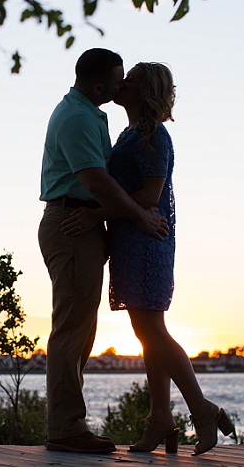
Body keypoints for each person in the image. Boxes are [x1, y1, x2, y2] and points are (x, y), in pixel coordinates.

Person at [60, 62, 234, 456]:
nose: (123, 82)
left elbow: (150, 196)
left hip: (146, 240)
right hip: (130, 239)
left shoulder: (153, 134)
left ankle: (202, 410)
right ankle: (160, 417)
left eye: (132, 78)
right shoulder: (131, 133)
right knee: (146, 332)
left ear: (146, 90)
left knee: (151, 329)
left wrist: (96, 215)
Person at [38, 49, 169, 454]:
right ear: (98, 86)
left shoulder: (90, 114)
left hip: (82, 222)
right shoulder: (78, 118)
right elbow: (96, 180)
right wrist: (140, 216)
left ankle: (68, 425)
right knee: (72, 328)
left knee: (81, 328)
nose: (122, 84)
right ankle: (65, 428)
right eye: (117, 79)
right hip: (73, 222)